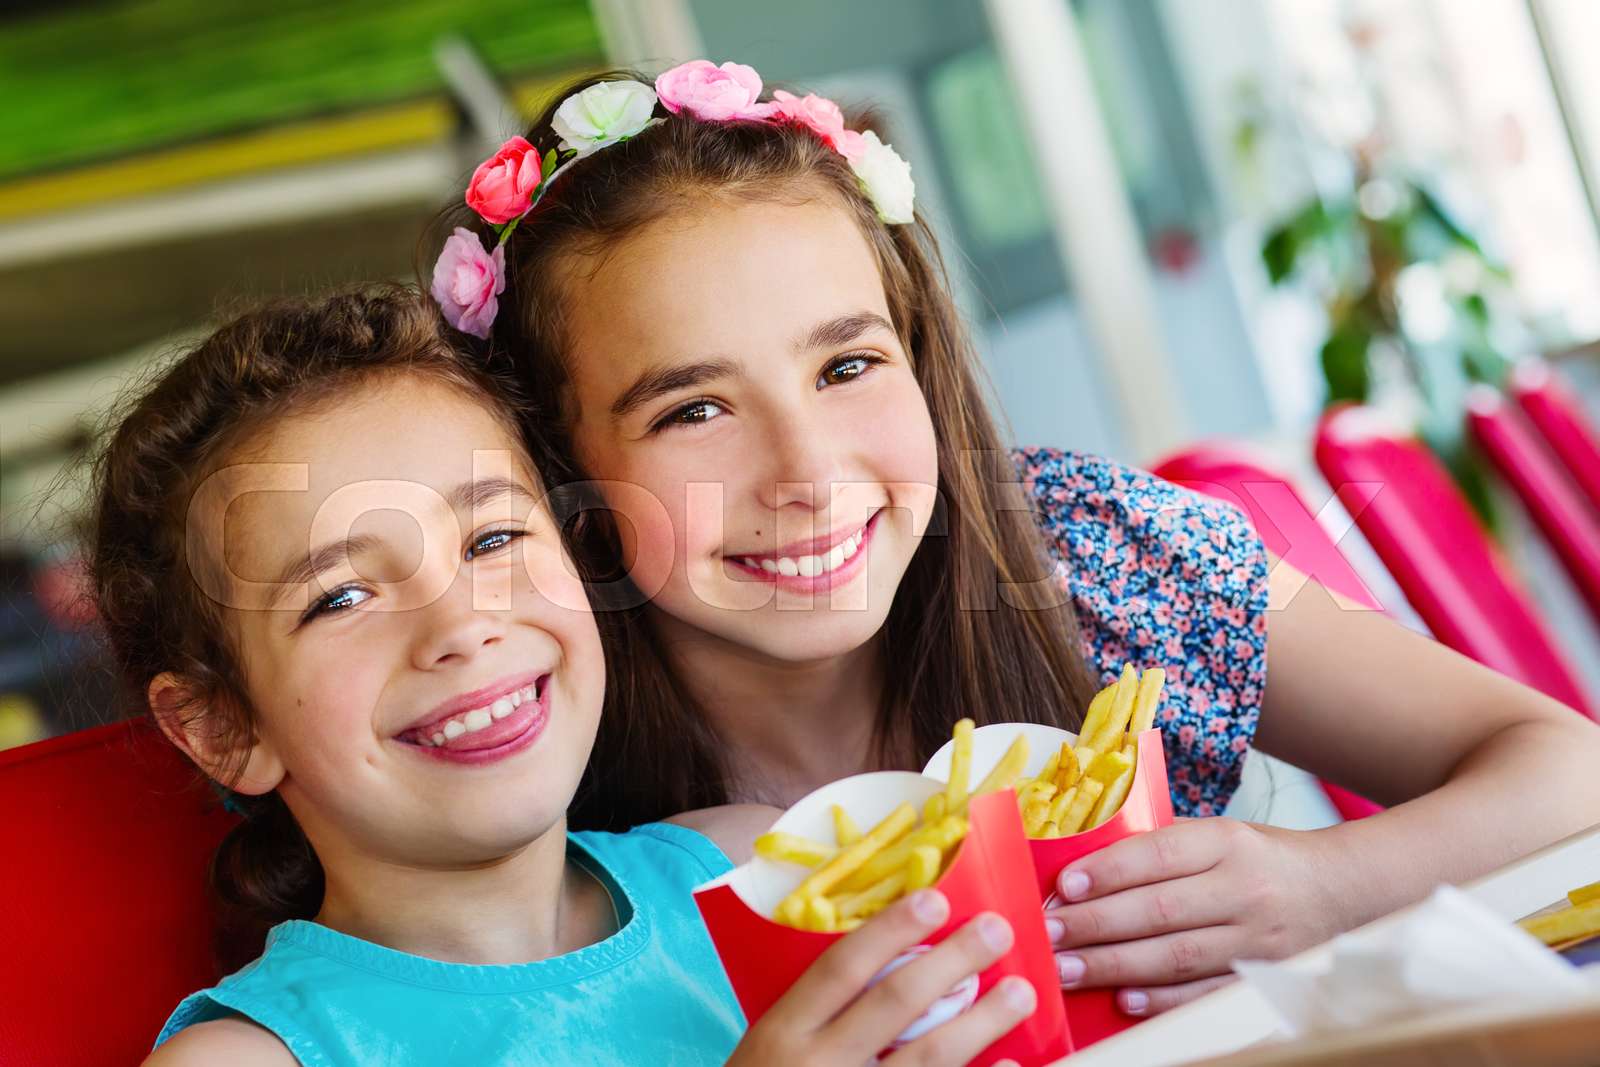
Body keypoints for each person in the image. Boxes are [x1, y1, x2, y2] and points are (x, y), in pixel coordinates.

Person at [430, 60, 1600, 1016]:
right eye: (694, 410)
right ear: (556, 468)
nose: (808, 471)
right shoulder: (526, 758)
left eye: (846, 365)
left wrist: (1330, 883)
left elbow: (1568, 767)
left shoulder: (1088, 552)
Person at [91, 287, 1035, 1065]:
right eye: (339, 598)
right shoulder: (246, 1060)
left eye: (494, 538)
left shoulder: (763, 870)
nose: (462, 626)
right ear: (221, 728)